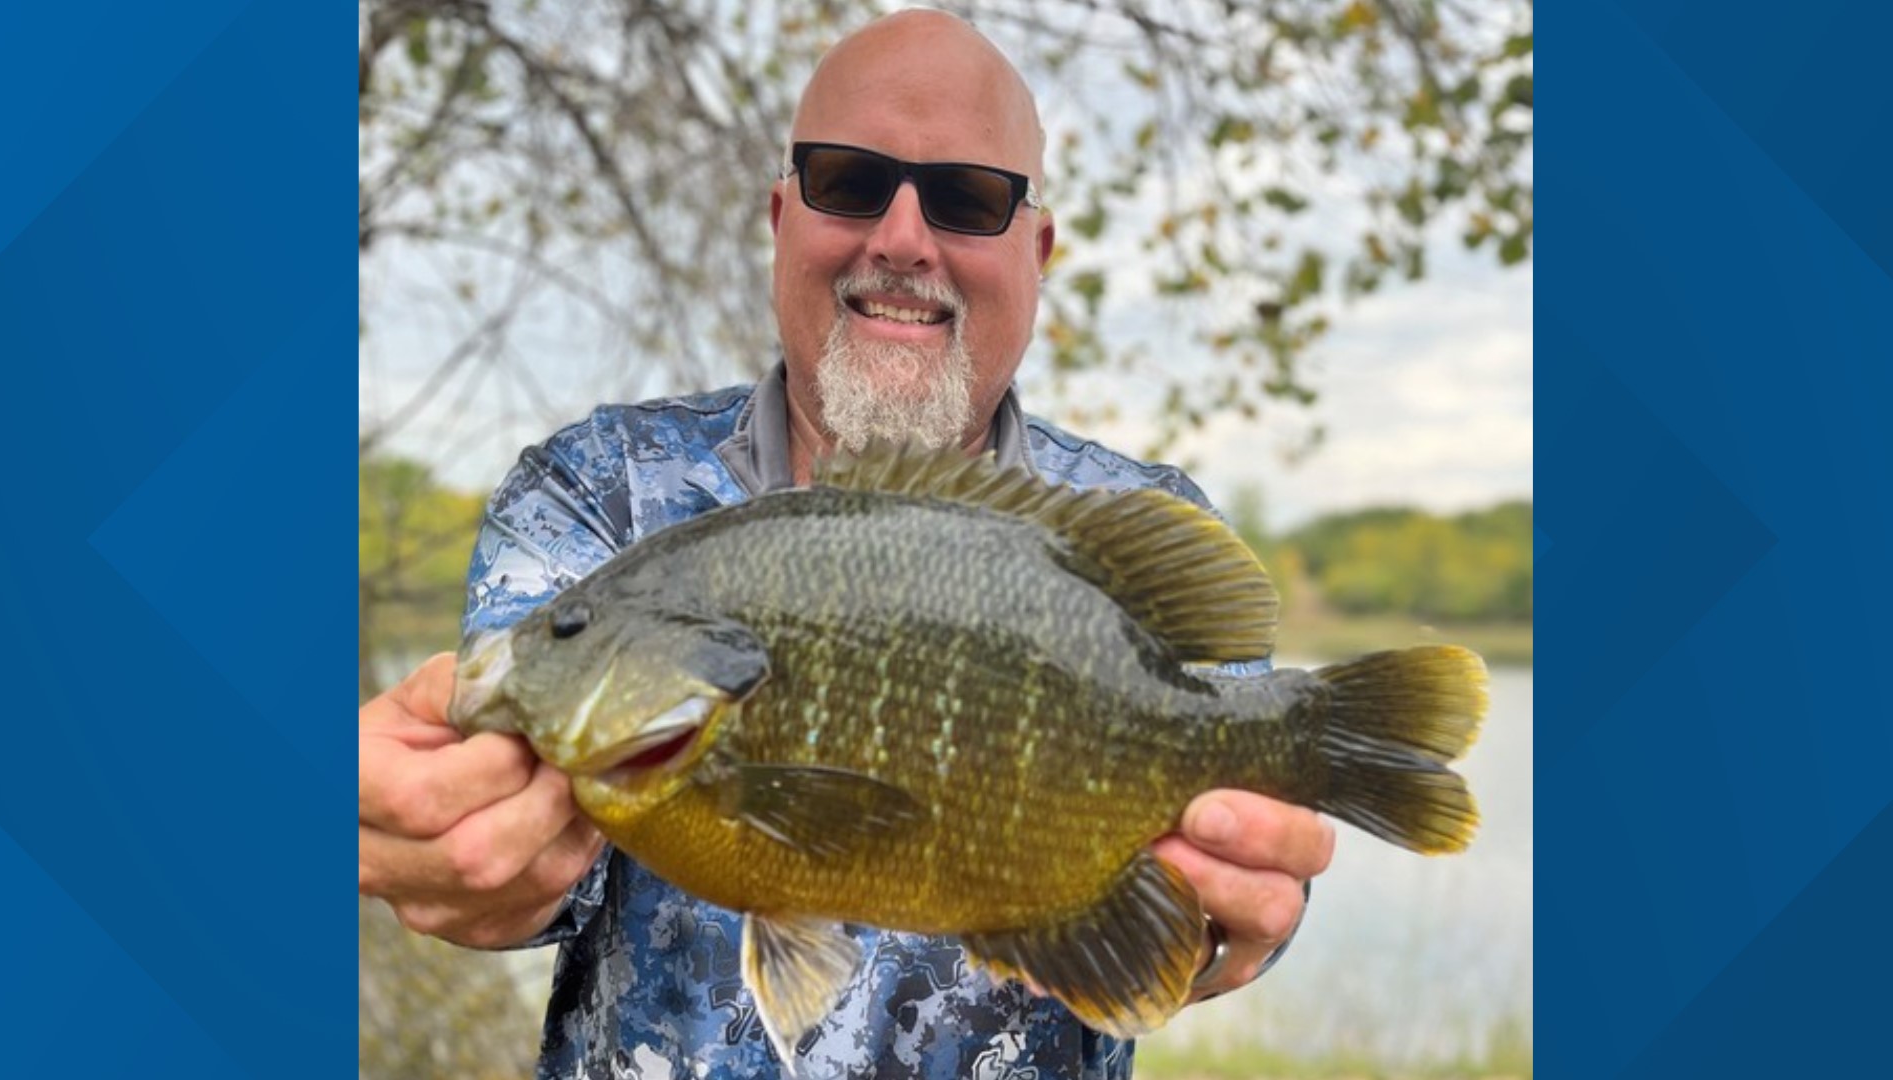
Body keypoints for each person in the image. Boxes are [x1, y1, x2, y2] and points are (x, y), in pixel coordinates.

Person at [359, 10, 1336, 1079]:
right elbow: (521, 848)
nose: (904, 239)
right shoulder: (596, 494)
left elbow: (1216, 890)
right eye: (849, 180)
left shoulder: (1143, 526)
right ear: (781, 218)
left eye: (968, 198)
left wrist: (1242, 912)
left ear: (1038, 251)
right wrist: (457, 847)